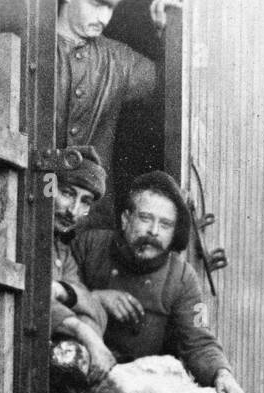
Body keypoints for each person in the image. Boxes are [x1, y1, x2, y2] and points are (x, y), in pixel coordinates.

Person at [72, 171, 246, 393]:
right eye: (145, 218)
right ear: (125, 219)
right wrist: (95, 298)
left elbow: (199, 341)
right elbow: (55, 297)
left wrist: (222, 373)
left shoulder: (183, 277)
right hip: (79, 375)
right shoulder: (89, 246)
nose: (154, 231)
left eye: (165, 224)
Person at [56, 0, 157, 230]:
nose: (104, 18)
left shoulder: (120, 59)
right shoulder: (33, 42)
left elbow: (168, 88)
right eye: (97, 4)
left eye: (110, 8)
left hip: (91, 226)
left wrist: (167, 31)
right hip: (33, 206)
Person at [49, 145, 112, 384]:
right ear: (48, 187)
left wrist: (63, 291)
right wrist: (83, 332)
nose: (73, 211)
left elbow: (95, 312)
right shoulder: (22, 237)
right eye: (66, 193)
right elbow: (35, 298)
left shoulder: (63, 254)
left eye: (85, 202)